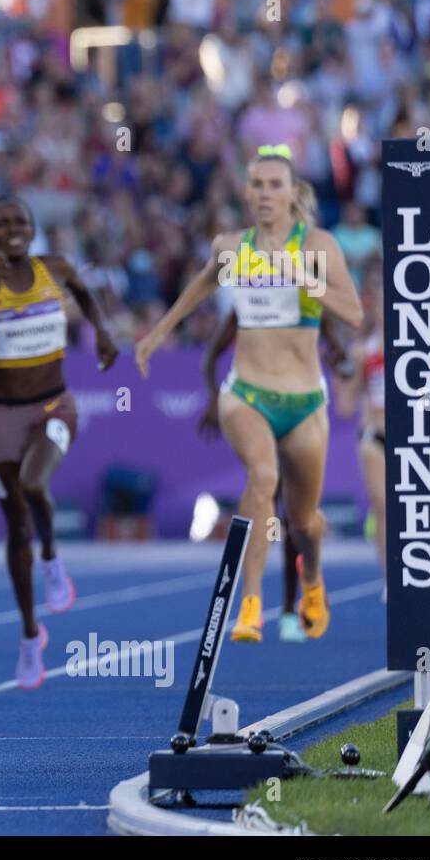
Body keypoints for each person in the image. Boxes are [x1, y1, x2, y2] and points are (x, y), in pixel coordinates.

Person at [136, 143, 363, 642]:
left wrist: (303, 276)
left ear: (290, 192)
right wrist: (156, 334)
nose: (264, 193)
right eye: (256, 184)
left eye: (273, 185)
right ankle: (251, 604)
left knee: (304, 520)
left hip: (305, 401)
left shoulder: (318, 245)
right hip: (246, 392)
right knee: (261, 479)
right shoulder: (230, 247)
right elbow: (199, 287)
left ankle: (311, 579)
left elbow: (354, 313)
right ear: (245, 190)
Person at [0, 195, 119, 688]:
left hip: (55, 403)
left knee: (33, 483)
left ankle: (52, 555)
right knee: (14, 529)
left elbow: (87, 294)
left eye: (19, 221)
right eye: (0, 223)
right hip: (2, 416)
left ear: (32, 227)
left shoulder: (56, 266)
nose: (11, 229)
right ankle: (31, 635)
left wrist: (103, 333)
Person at [331, 267, 386, 591]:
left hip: (414, 437)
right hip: (375, 435)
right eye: (380, 304)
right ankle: (389, 579)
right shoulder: (363, 350)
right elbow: (346, 407)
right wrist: (343, 381)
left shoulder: (421, 347)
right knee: (383, 507)